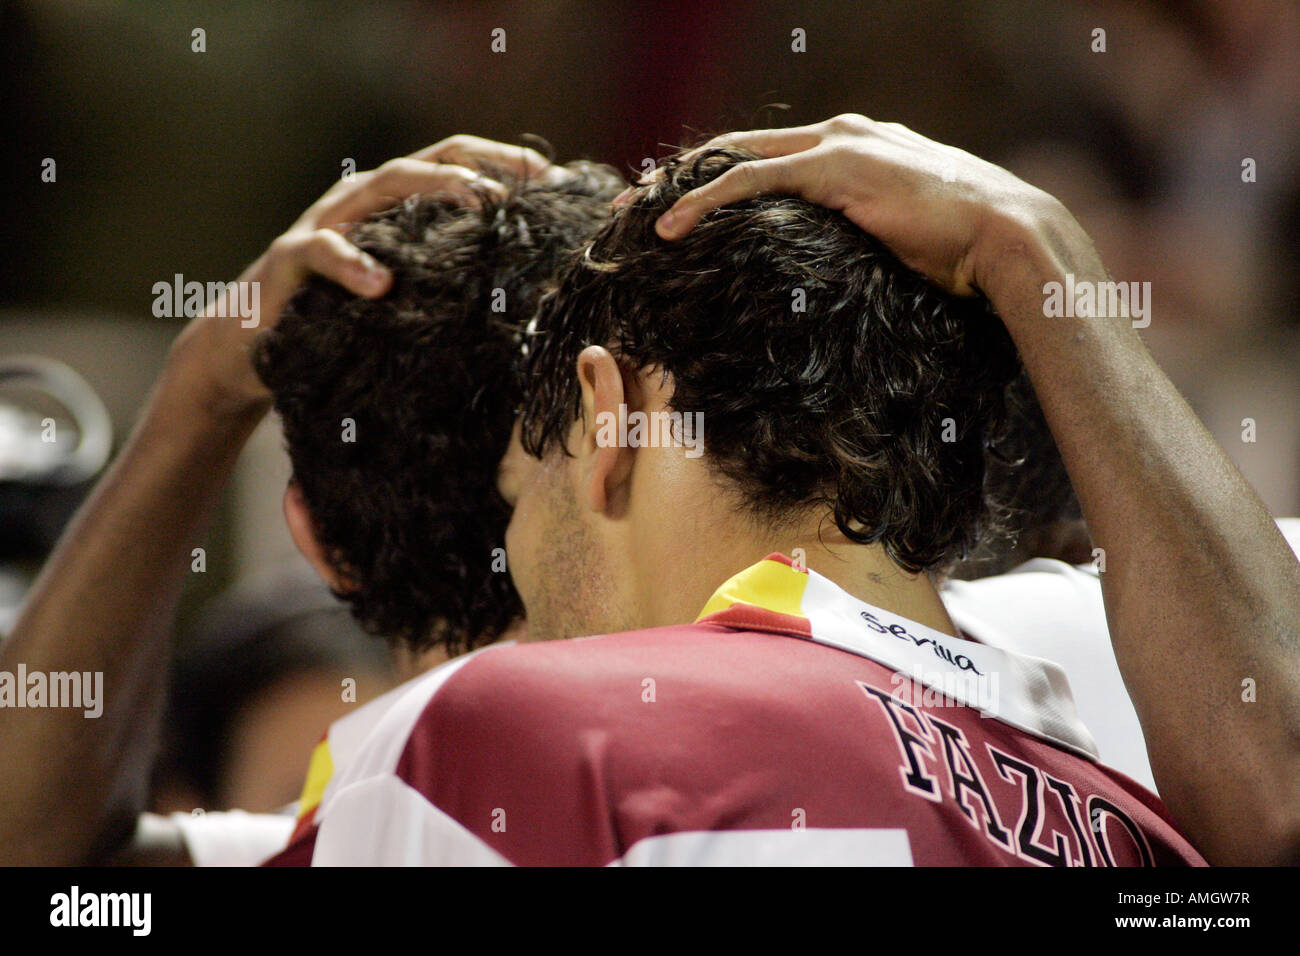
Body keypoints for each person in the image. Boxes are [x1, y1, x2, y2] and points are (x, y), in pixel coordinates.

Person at [275, 118, 1300, 866]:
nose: (523, 597)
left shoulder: (493, 735)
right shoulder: (1159, 830)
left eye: (516, 490)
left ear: (603, 418)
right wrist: (1033, 249)